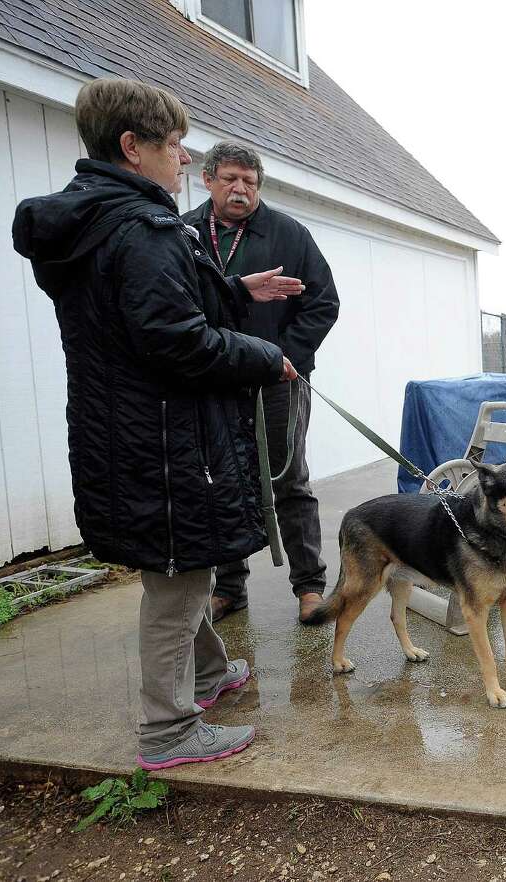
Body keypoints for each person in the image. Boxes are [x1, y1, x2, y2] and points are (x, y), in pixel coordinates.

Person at [12, 78, 302, 770]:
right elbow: (175, 340)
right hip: (164, 440)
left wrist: (233, 291)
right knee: (177, 583)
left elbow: (140, 310)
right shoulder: (139, 228)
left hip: (128, 432)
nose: (182, 158)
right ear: (131, 148)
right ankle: (169, 730)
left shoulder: (103, 221)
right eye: (173, 145)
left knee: (184, 569)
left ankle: (207, 677)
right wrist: (265, 354)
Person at [182, 141, 340, 625]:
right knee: (221, 480)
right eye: (230, 178)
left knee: (289, 478)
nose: (239, 189)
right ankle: (230, 588)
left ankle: (310, 586)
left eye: (249, 182)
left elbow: (323, 302)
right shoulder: (184, 233)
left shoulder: (289, 234)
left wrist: (284, 356)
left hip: (280, 380)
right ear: (207, 180)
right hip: (214, 381)